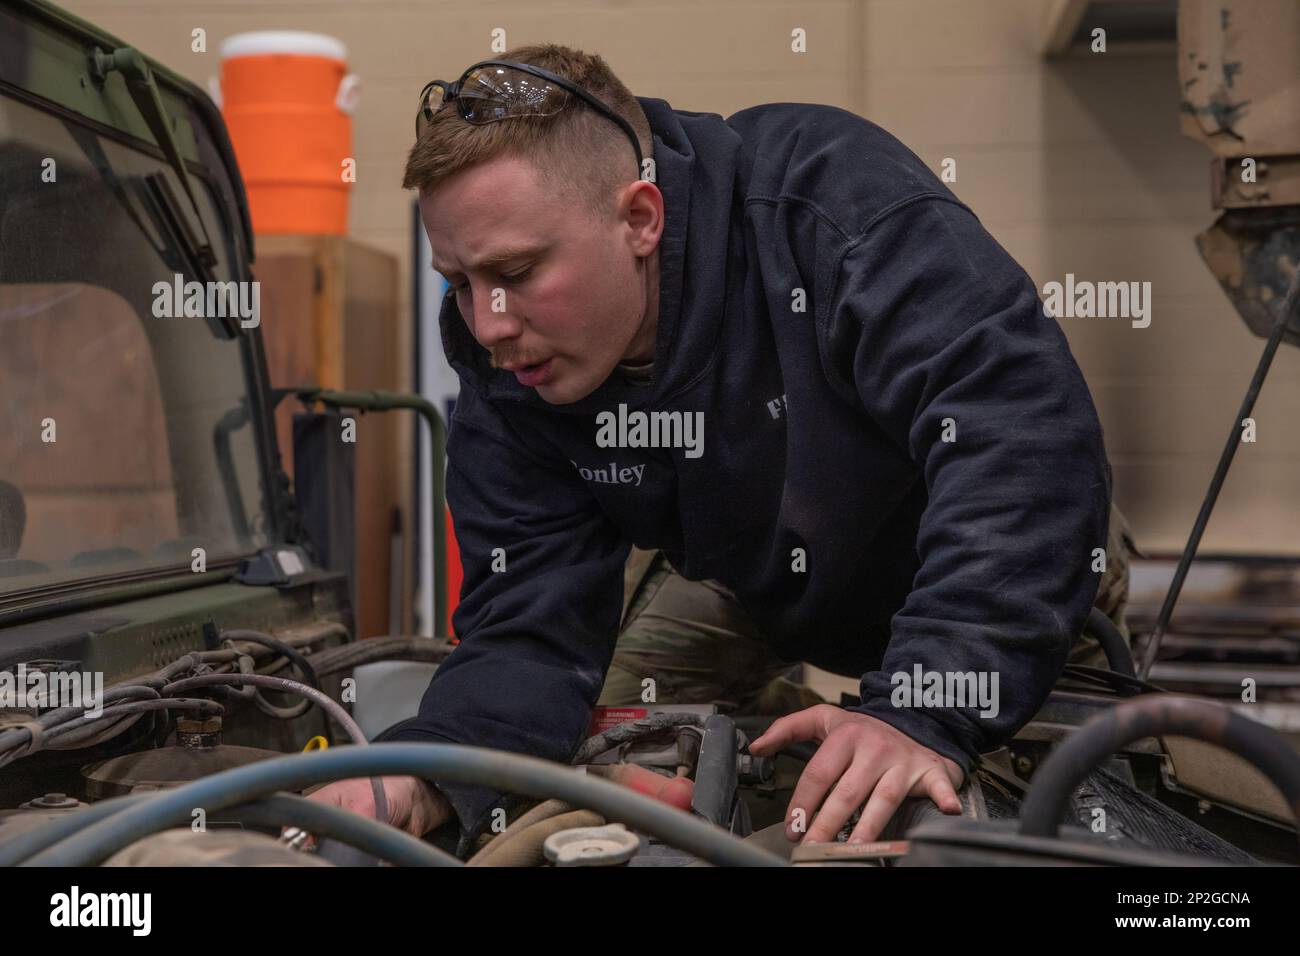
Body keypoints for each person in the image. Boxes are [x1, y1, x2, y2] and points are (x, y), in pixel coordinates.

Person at [308, 43, 1133, 854]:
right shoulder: (509, 360)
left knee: (1036, 803)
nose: (488, 324)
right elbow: (527, 621)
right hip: (748, 564)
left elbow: (1021, 438)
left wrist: (923, 712)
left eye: (516, 271)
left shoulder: (826, 203)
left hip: (993, 540)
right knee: (615, 759)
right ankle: (780, 744)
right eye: (458, 281)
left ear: (639, 218)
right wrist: (431, 772)